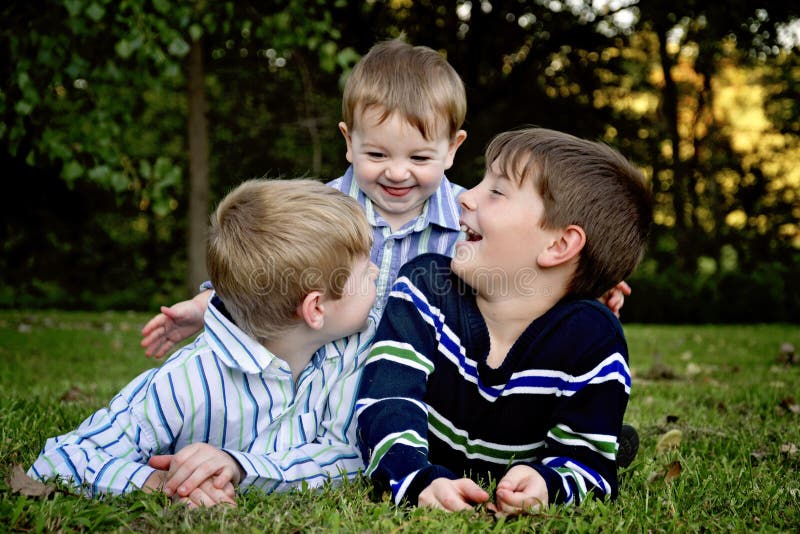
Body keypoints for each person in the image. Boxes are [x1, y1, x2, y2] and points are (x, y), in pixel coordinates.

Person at [355, 127, 653, 515]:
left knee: (599, 441)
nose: (464, 196)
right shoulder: (425, 289)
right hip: (435, 453)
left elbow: (590, 471)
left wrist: (548, 484)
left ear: (558, 245)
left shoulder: (591, 339)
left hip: (532, 438)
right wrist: (416, 478)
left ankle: (615, 440)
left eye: (496, 192)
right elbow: (387, 401)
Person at [28, 179, 378, 507]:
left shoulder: (351, 351)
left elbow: (350, 456)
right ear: (315, 308)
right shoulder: (188, 381)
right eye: (366, 272)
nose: (377, 273)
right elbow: (63, 459)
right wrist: (164, 482)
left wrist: (239, 467)